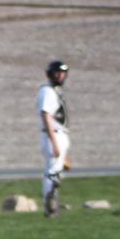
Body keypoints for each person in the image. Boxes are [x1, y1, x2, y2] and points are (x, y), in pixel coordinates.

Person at [37, 59, 71, 217]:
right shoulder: (47, 91)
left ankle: (53, 203)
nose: (61, 76)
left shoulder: (54, 91)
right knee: (52, 173)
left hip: (59, 134)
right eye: (57, 73)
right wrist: (54, 142)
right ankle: (50, 207)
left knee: (57, 171)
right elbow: (46, 116)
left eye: (63, 73)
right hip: (53, 134)